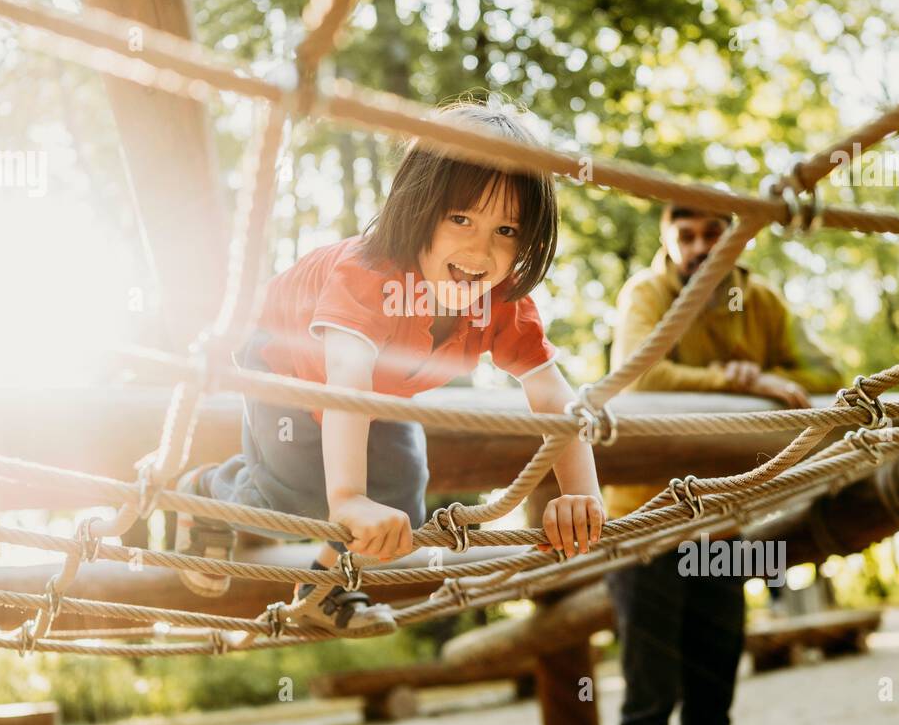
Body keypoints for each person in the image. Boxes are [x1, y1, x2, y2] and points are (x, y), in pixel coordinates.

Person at [175, 102, 606, 633]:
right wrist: (349, 498)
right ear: (418, 206)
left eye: (507, 230)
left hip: (379, 390)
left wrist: (581, 494)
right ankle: (206, 490)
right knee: (297, 498)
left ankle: (326, 588)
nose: (481, 248)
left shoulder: (501, 301)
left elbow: (551, 394)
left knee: (404, 494)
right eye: (461, 218)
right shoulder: (369, 277)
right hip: (286, 363)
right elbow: (347, 386)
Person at [603, 204, 842, 725]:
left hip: (723, 525)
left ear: (737, 239)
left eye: (712, 234)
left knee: (713, 701)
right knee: (650, 701)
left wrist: (764, 373)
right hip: (645, 525)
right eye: (685, 236)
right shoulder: (646, 293)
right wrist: (739, 382)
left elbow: (828, 373)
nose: (699, 248)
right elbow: (638, 378)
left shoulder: (760, 300)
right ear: (666, 240)